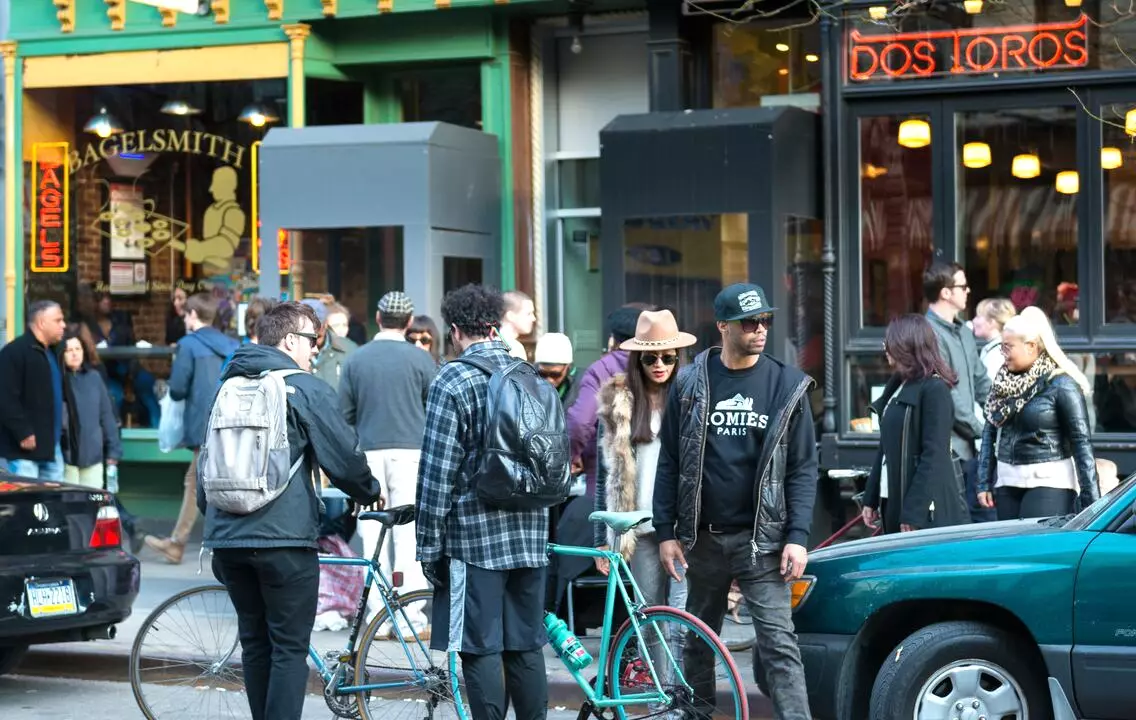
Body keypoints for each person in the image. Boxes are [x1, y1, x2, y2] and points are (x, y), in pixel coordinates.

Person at [199, 301, 382, 720]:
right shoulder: (306, 388)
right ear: (288, 341)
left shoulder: (225, 386)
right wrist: (368, 491)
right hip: (284, 540)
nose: (317, 350)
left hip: (227, 539)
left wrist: (213, 520)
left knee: (255, 642)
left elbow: (205, 462)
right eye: (311, 341)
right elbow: (345, 459)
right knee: (288, 648)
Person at [653, 282, 815, 720]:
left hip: (762, 543)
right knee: (698, 641)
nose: (760, 330)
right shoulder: (690, 382)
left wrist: (797, 536)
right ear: (723, 326)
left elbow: (802, 469)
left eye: (764, 320)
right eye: (749, 322)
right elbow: (670, 461)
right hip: (703, 539)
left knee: (780, 645)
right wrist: (665, 531)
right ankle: (698, 715)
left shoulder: (787, 384)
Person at [417, 283, 549, 720]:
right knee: (525, 645)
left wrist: (427, 545)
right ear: (494, 325)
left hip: (475, 539)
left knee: (479, 646)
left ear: (455, 330)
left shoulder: (452, 379)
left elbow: (437, 472)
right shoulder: (526, 372)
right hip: (531, 532)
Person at [339, 290, 436, 630]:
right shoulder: (422, 360)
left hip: (367, 453)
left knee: (370, 534)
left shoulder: (356, 360)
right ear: (408, 322)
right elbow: (433, 411)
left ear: (377, 318)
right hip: (412, 453)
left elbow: (345, 416)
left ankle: (376, 619)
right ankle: (412, 617)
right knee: (407, 536)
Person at [594, 309, 694, 602]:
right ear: (638, 360)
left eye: (668, 357)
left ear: (678, 357)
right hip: (641, 526)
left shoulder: (693, 398)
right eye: (650, 358)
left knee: (683, 616)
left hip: (684, 525)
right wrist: (602, 538)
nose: (659, 364)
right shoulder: (620, 401)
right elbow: (608, 476)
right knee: (648, 617)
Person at [977, 307, 1099, 520]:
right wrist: (983, 480)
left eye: (1008, 347)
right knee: (1011, 551)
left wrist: (1091, 500)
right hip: (1007, 480)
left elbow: (1081, 441)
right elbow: (989, 430)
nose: (1002, 353)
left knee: (1035, 550)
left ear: (1031, 346)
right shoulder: (1003, 381)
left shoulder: (1061, 383)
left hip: (1050, 481)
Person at [145, 293, 239, 564]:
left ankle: (178, 543)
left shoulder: (188, 345)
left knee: (196, 483)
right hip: (232, 423)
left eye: (186, 315)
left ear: (194, 315)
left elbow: (177, 389)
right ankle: (181, 542)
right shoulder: (232, 344)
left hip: (203, 424)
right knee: (213, 483)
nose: (184, 319)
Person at [861, 315, 970, 534]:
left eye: (889, 341)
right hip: (894, 497)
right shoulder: (898, 386)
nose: (885, 347)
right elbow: (886, 447)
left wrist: (914, 511)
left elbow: (935, 454)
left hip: (924, 509)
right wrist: (870, 497)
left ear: (905, 345)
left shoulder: (934, 389)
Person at [924, 261, 992, 522]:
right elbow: (945, 391)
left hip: (971, 449)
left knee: (981, 522)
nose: (968, 290)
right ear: (946, 292)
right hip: (947, 449)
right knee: (956, 526)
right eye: (962, 286)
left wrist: (1003, 415)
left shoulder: (964, 331)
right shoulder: (928, 332)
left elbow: (981, 381)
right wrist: (982, 430)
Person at [566, 304, 653, 496]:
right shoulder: (658, 366)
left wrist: (571, 456)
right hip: (654, 470)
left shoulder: (601, 369)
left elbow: (580, 421)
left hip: (606, 474)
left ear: (613, 339)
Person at [0, 300, 68, 480]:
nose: (64, 325)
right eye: (58, 320)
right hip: (23, 450)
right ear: (41, 323)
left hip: (52, 447)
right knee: (26, 505)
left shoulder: (53, 353)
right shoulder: (14, 352)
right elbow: (5, 397)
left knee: (54, 504)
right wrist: (22, 432)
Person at [60, 328, 122, 489]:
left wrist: (113, 452)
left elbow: (107, 416)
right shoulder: (57, 379)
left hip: (93, 456)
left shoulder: (94, 378)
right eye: (69, 350)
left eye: (78, 349)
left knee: (93, 506)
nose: (74, 354)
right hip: (65, 458)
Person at [305, 299, 357, 391]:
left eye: (317, 336)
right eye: (307, 336)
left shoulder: (350, 349)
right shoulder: (289, 350)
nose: (313, 345)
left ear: (325, 324)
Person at [972, 297, 1016, 385]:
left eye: (978, 316)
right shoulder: (998, 348)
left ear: (991, 322)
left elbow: (988, 390)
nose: (973, 320)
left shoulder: (996, 354)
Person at [534, 332, 575, 403]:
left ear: (568, 367)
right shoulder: (530, 379)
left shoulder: (580, 387)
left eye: (555, 374)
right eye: (543, 374)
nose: (549, 380)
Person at [499, 290, 536, 361]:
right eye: (528, 314)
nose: (533, 318)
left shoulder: (489, 342)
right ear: (511, 316)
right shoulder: (515, 348)